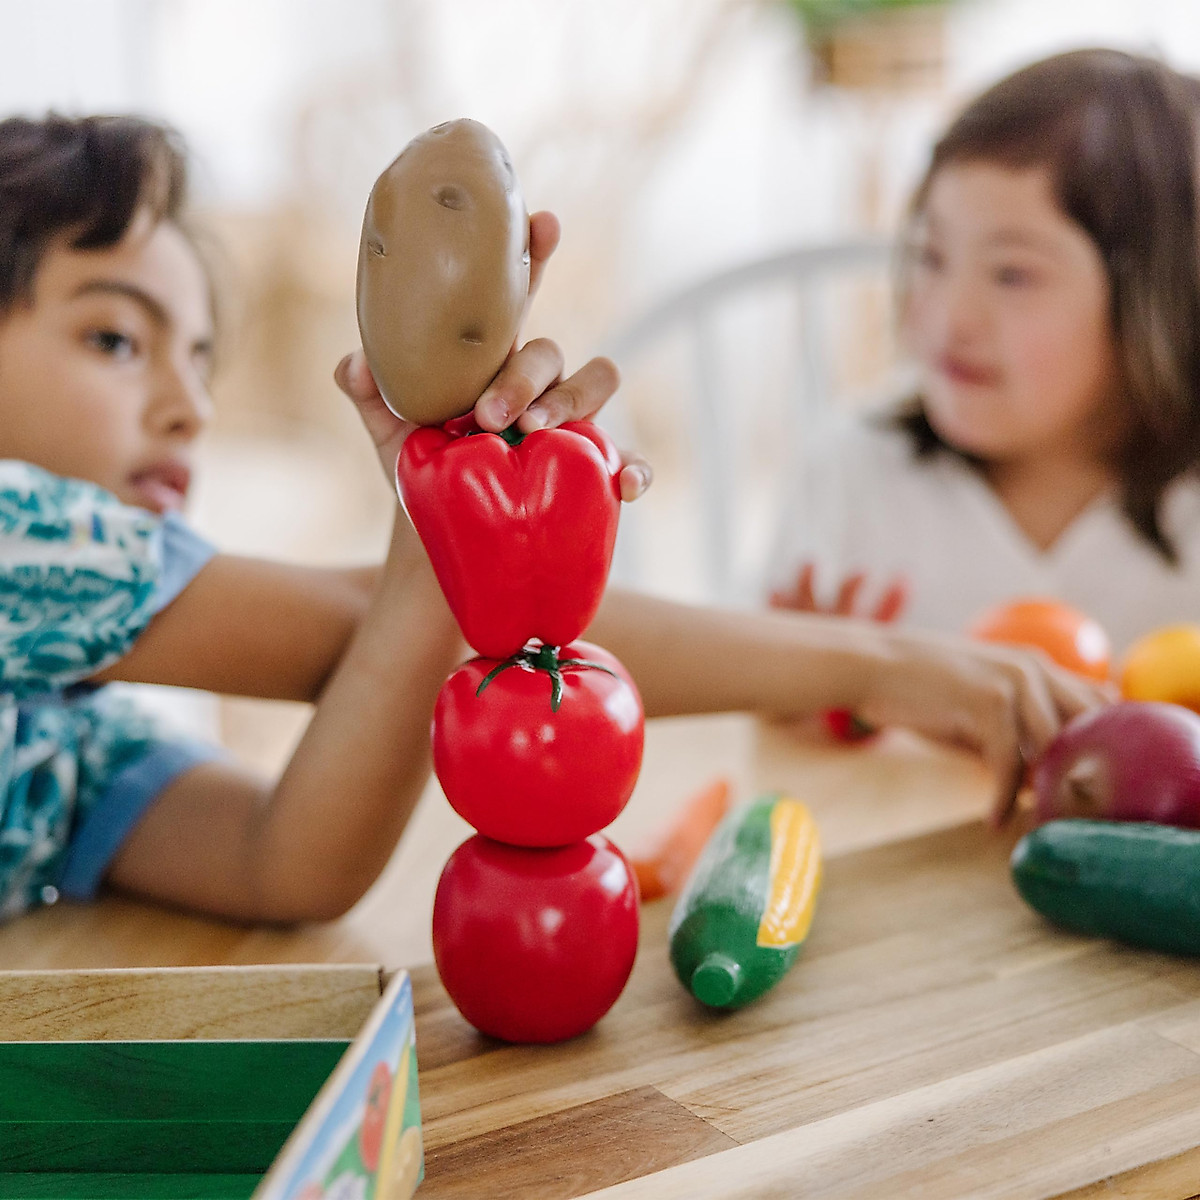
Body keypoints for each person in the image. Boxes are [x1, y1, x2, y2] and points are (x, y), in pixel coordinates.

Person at [0, 115, 1099, 930]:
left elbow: (280, 864)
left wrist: (445, 511)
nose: (189, 407)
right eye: (114, 339)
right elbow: (348, 631)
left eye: (201, 358)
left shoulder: (61, 734)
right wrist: (876, 666)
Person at [769, 49, 1200, 657]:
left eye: (1012, 275)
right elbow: (760, 690)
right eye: (930, 257)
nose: (951, 317)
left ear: (1157, 296)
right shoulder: (854, 474)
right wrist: (799, 682)